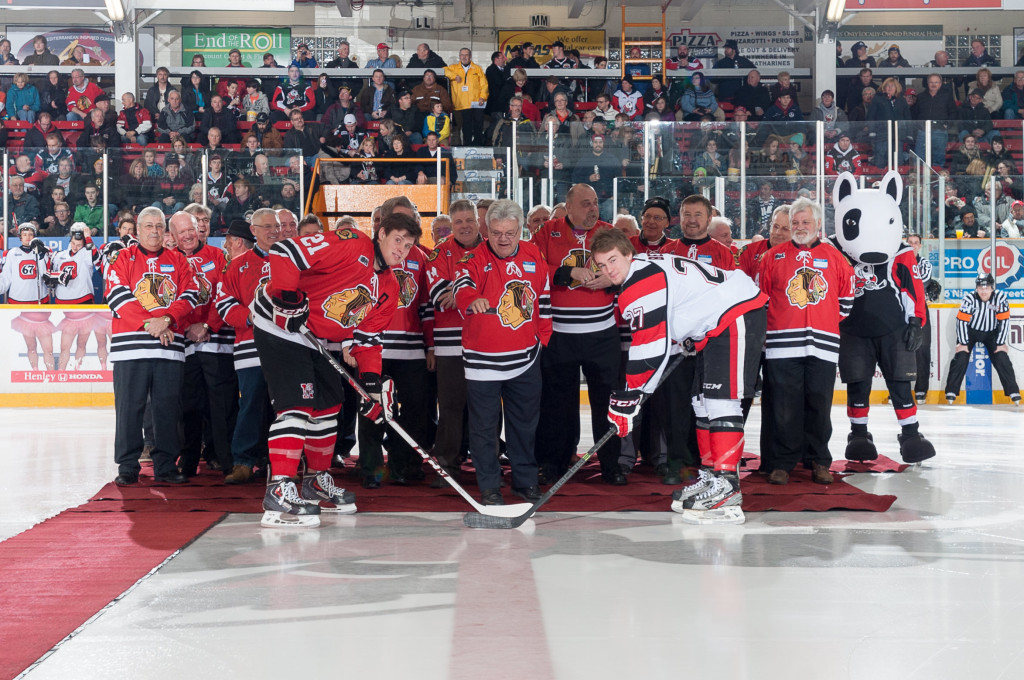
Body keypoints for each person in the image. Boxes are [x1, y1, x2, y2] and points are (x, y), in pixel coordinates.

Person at [250, 212, 420, 527]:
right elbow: (285, 252)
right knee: (297, 406)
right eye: (398, 240)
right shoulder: (351, 243)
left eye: (408, 246)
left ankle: (314, 482)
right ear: (380, 233)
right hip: (279, 326)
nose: (402, 250)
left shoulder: (389, 287)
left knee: (329, 406)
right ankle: (279, 490)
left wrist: (370, 385)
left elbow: (368, 341)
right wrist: (287, 296)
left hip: (318, 339)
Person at [592, 224, 767, 525]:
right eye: (601, 265)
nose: (608, 269)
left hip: (734, 314)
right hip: (714, 324)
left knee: (720, 401)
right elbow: (664, 338)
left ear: (628, 255)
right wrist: (634, 395)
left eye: (612, 260)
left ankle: (728, 489)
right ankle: (713, 479)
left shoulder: (639, 281)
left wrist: (628, 398)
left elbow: (649, 349)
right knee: (701, 401)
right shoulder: (645, 269)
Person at [451, 199, 551, 504]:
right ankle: (490, 486)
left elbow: (543, 301)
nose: (504, 238)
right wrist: (471, 299)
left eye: (510, 232)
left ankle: (524, 480)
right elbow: (461, 285)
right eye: (496, 232)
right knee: (484, 429)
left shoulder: (534, 254)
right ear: (486, 230)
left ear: (520, 229)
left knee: (525, 425)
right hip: (483, 362)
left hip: (525, 359)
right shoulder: (473, 259)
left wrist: (541, 338)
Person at [830, 171, 934, 464]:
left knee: (900, 382)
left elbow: (913, 290)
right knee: (858, 382)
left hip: (893, 329)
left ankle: (911, 432)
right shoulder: (835, 250)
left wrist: (916, 322)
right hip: (852, 329)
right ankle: (859, 433)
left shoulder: (901, 252)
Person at [756, 198, 854, 484]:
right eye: (795, 223)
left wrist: (825, 322)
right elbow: (760, 299)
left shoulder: (835, 256)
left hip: (822, 345)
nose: (799, 227)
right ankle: (781, 463)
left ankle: (819, 461)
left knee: (819, 405)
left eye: (805, 222)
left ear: (819, 224)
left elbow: (847, 298)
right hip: (781, 344)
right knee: (784, 407)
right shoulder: (772, 257)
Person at [532, 184, 624, 485]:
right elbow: (530, 268)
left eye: (595, 202)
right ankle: (551, 462)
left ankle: (611, 465)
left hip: (602, 335)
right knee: (556, 404)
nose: (592, 208)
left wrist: (609, 280)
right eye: (585, 203)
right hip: (560, 335)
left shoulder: (609, 232)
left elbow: (630, 269)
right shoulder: (548, 231)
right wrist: (565, 272)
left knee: (607, 402)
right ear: (568, 207)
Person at [105, 207, 201, 486]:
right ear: (137, 230)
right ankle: (127, 465)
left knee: (167, 409)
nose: (155, 231)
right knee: (129, 408)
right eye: (149, 226)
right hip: (131, 347)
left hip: (168, 348)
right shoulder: (123, 258)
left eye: (160, 226)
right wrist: (154, 324)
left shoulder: (179, 261)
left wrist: (168, 319)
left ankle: (166, 466)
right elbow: (117, 296)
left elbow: (190, 296)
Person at [425, 200, 483, 487]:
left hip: (489, 341)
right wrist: (475, 289)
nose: (464, 226)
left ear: (477, 220)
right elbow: (438, 297)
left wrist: (457, 288)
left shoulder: (492, 247)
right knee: (450, 407)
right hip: (451, 344)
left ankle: (487, 464)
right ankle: (447, 467)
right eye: (458, 221)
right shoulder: (439, 251)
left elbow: (500, 288)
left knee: (485, 408)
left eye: (468, 220)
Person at [215, 214, 270, 484]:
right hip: (250, 348)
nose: (273, 231)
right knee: (249, 405)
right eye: (267, 227)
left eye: (277, 227)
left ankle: (282, 461)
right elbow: (224, 305)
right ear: (254, 231)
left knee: (286, 408)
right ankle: (243, 461)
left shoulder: (294, 261)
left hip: (287, 349)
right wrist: (249, 316)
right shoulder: (236, 266)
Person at [944, 273, 1020, 405]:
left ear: (992, 288)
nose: (983, 291)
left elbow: (1004, 321)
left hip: (991, 333)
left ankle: (1013, 391)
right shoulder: (969, 299)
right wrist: (963, 342)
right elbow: (961, 321)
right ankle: (951, 391)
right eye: (980, 287)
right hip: (971, 331)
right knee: (961, 357)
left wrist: (1001, 343)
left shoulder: (1000, 298)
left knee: (1002, 357)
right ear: (977, 288)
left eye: (986, 287)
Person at [444, 48, 489, 145]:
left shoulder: (477, 68)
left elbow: (484, 85)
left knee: (478, 126)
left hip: (477, 103)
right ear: (459, 56)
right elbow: (444, 70)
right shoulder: (453, 68)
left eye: (466, 55)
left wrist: (483, 97)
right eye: (462, 55)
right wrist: (453, 76)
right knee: (465, 128)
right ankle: (466, 146)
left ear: (470, 56)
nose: (464, 57)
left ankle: (478, 146)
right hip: (461, 104)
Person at [1, 223, 51, 302]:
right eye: (24, 234)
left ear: (34, 236)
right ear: (20, 236)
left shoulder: (43, 251)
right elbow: (6, 276)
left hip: (39, 299)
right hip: (16, 300)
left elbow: (45, 275)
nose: (27, 237)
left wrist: (41, 255)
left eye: (30, 234)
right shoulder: (12, 253)